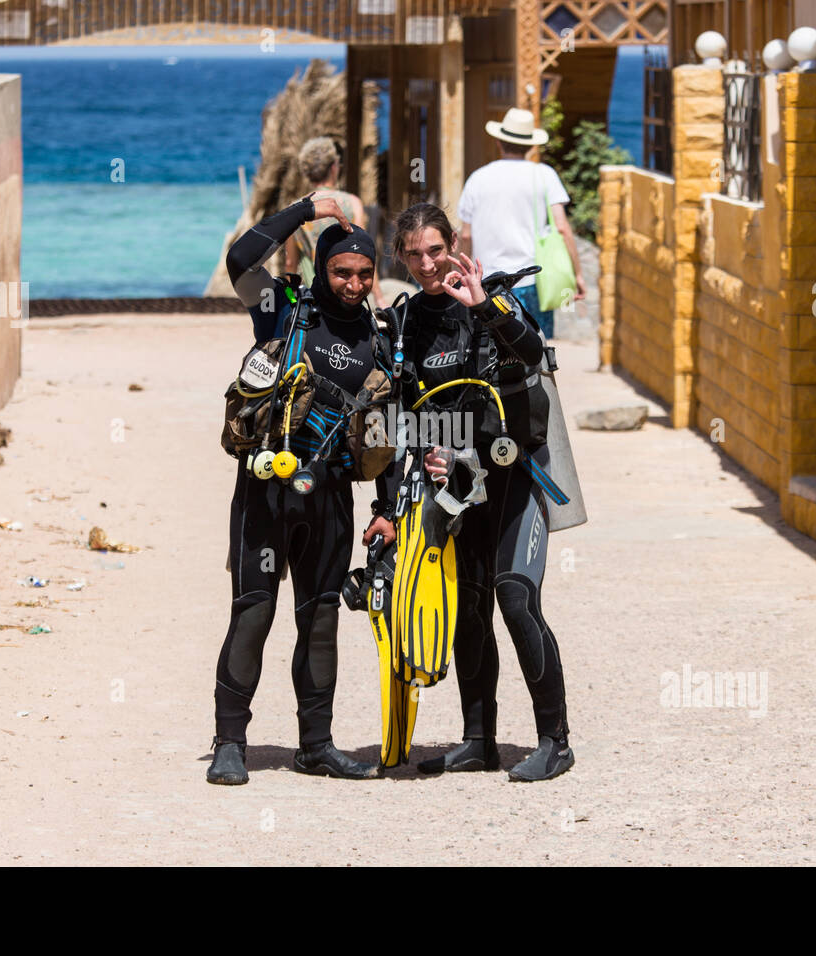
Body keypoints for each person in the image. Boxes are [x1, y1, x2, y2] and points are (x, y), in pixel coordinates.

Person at [382, 201, 573, 782]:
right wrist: (394, 501)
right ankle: (478, 739)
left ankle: (555, 741)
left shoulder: (492, 299)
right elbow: (402, 420)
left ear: (454, 244)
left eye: (436, 250)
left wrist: (484, 307)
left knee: (515, 597)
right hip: (460, 491)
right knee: (469, 611)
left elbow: (533, 355)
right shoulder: (407, 322)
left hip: (515, 477)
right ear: (402, 257)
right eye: (413, 255)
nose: (427, 264)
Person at [209, 195, 396, 786]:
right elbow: (241, 257)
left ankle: (316, 745)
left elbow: (387, 431)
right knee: (253, 613)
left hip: (331, 499)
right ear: (322, 269)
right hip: (266, 491)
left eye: (365, 274)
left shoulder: (378, 335)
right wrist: (310, 208)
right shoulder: (283, 308)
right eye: (342, 271)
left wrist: (387, 509)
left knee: (319, 622)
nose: (354, 283)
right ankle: (229, 742)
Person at [456, 107, 586, 340]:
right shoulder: (544, 175)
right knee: (536, 349)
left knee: (488, 349)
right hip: (531, 282)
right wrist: (577, 275)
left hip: (486, 285)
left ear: (499, 142)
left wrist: (461, 277)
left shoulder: (477, 178)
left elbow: (466, 236)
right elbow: (563, 228)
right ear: (531, 146)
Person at [285, 137, 368, 286]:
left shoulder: (295, 209)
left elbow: (290, 263)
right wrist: (378, 297)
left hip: (313, 297)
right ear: (334, 167)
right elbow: (363, 255)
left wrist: (290, 298)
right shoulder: (353, 203)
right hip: (348, 294)